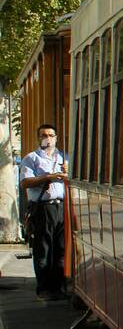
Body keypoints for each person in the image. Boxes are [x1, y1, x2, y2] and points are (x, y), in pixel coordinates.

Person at [20, 124, 69, 300]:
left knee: (61, 249)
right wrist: (47, 177)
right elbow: (25, 182)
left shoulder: (64, 157)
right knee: (43, 249)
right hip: (42, 208)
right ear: (38, 138)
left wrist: (67, 174)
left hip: (62, 206)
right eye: (44, 135)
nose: (48, 138)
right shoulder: (31, 159)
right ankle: (44, 289)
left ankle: (59, 288)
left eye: (51, 135)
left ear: (56, 138)